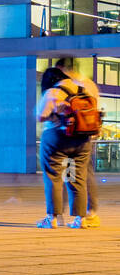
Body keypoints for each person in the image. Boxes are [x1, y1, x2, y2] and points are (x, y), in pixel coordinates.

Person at [36, 66, 96, 228]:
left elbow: (40, 116)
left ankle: (52, 218)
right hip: (82, 140)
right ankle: (80, 220)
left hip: (57, 139)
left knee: (53, 177)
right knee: (77, 178)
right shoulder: (83, 91)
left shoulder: (53, 93)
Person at [55, 58, 102, 228]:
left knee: (68, 174)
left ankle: (60, 212)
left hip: (70, 135)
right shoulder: (89, 84)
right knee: (84, 175)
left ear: (63, 68)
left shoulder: (65, 85)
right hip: (88, 136)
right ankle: (90, 213)